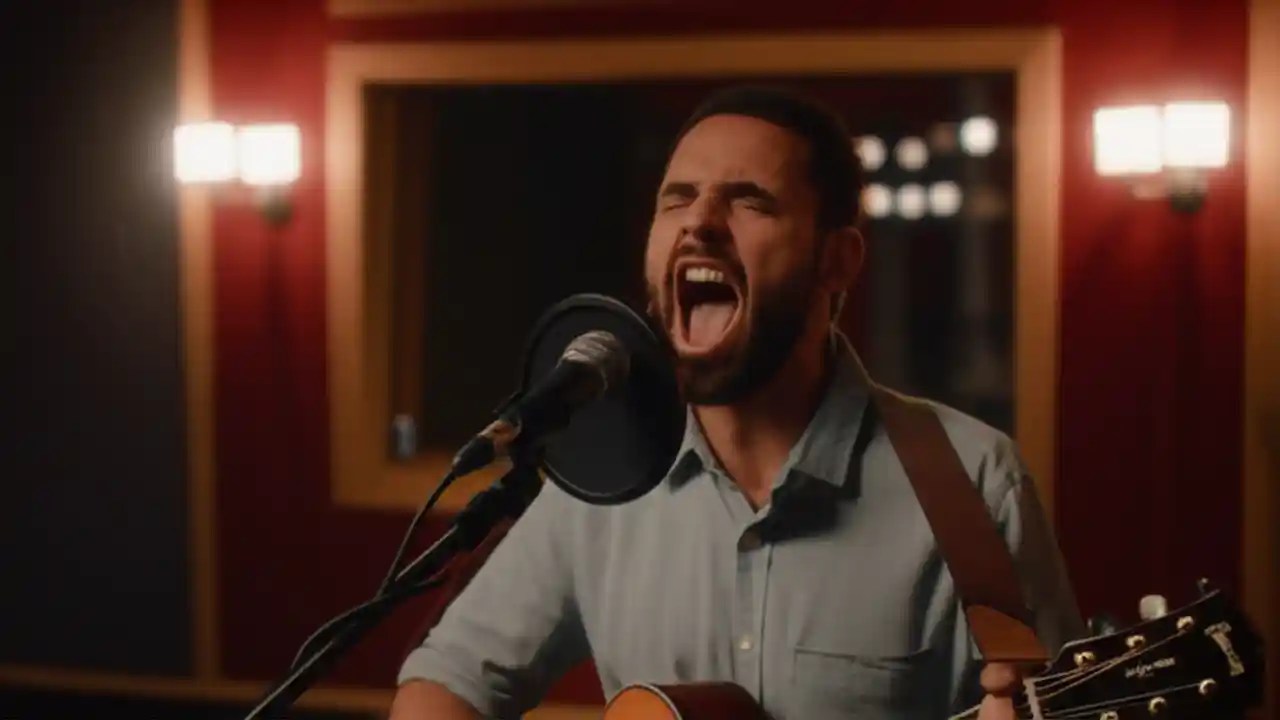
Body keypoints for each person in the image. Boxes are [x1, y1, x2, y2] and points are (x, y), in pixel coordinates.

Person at [391, 86, 1084, 720]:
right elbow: (448, 678)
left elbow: (1048, 696)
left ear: (837, 260)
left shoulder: (973, 480)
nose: (699, 222)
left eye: (750, 201)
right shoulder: (603, 480)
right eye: (677, 198)